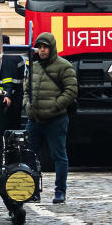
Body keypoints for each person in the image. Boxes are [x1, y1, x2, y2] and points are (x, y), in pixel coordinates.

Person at [26, 32, 77, 203]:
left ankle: (60, 191)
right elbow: (27, 90)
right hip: (34, 120)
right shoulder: (34, 66)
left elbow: (71, 91)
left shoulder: (64, 66)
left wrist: (56, 106)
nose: (42, 50)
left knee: (59, 155)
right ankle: (32, 191)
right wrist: (28, 106)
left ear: (51, 48)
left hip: (56, 120)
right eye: (39, 47)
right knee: (29, 156)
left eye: (45, 47)